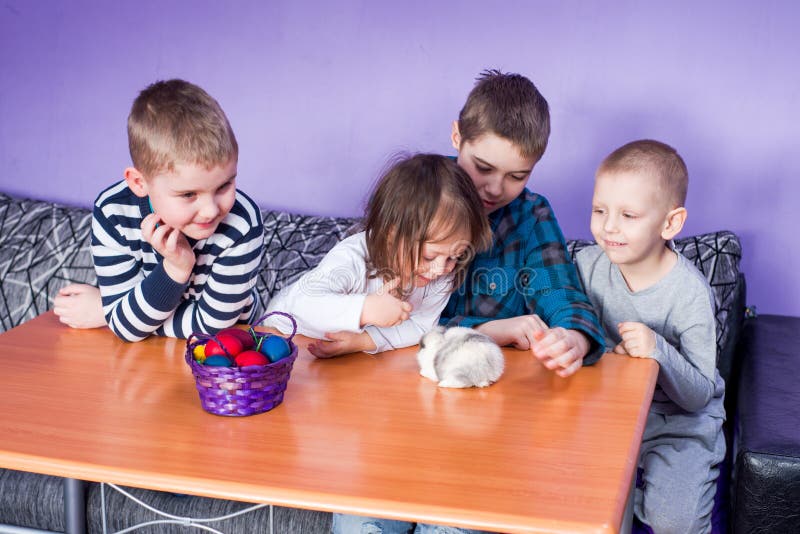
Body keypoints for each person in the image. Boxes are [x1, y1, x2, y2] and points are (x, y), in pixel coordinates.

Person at [575, 139, 725, 533]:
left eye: (628, 215)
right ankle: (631, 494)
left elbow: (699, 395)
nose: (609, 226)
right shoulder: (586, 266)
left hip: (679, 422)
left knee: (674, 522)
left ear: (670, 224)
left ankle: (653, 494)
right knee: (591, 511)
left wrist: (658, 350)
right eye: (600, 210)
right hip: (610, 414)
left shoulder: (689, 293)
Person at [53, 79, 264, 341]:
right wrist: (176, 268)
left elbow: (212, 330)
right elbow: (127, 329)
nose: (211, 210)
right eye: (188, 194)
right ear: (139, 183)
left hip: (226, 351)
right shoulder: (113, 214)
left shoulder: (242, 225)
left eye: (224, 185)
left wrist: (107, 315)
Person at [441, 69, 605, 378]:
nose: (495, 189)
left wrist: (573, 339)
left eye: (517, 176)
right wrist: (485, 331)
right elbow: (391, 317)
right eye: (483, 168)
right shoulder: (415, 196)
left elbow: (561, 295)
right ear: (457, 136)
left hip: (498, 389)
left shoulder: (532, 215)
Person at [265, 153, 491, 357]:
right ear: (391, 233)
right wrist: (366, 309)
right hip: (281, 331)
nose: (441, 269)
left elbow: (422, 326)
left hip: (329, 353)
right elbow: (302, 305)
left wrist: (364, 341)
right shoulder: (354, 257)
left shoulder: (442, 273)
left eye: (455, 256)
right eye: (429, 257)